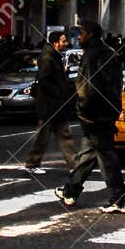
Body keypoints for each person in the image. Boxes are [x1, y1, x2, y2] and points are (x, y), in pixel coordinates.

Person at [56, 21, 125, 212]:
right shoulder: (110, 52)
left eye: (81, 33)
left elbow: (87, 89)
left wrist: (82, 111)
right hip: (107, 111)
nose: (78, 37)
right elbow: (116, 85)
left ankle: (120, 198)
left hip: (95, 114)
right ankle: (71, 190)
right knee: (89, 154)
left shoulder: (91, 56)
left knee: (106, 155)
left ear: (90, 34)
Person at [25, 29, 78, 171]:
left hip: (55, 104)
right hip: (50, 104)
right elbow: (45, 81)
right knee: (43, 136)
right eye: (63, 41)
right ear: (56, 43)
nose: (66, 43)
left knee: (64, 134)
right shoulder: (48, 58)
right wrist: (58, 94)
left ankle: (75, 165)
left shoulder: (54, 56)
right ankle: (32, 163)